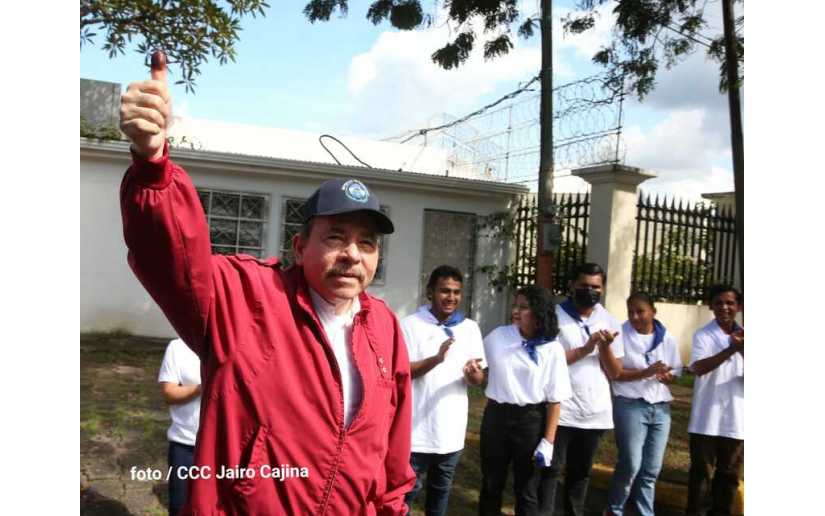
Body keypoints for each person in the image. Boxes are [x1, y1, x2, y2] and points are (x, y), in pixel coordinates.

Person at [119, 52, 415, 515]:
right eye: (335, 237)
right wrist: (152, 164)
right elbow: (171, 259)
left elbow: (393, 449)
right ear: (300, 246)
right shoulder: (247, 297)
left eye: (367, 242)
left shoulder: (384, 327)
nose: (353, 254)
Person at [479, 285, 572, 516]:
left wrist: (548, 441)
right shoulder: (498, 336)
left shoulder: (552, 349)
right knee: (491, 482)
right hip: (497, 416)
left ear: (539, 312)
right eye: (515, 306)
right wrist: (474, 374)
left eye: (524, 307)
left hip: (530, 421)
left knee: (527, 488)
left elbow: (555, 400)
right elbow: (479, 365)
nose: (516, 311)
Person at [401, 265, 486, 516]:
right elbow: (402, 372)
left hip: (450, 431)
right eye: (444, 291)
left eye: (456, 292)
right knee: (406, 493)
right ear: (430, 292)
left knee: (441, 491)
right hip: (415, 431)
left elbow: (478, 379)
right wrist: (436, 359)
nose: (451, 297)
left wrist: (473, 375)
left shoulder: (470, 328)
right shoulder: (409, 325)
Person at [541, 262, 624, 516]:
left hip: (594, 413)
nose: (590, 291)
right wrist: (586, 349)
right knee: (550, 470)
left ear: (603, 289)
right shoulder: (554, 316)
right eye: (584, 285)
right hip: (561, 410)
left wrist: (605, 348)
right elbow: (547, 361)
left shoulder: (609, 320)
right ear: (572, 286)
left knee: (580, 474)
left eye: (596, 287)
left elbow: (615, 373)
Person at [605, 293, 683, 516]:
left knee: (651, 470)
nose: (635, 316)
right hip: (630, 404)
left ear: (653, 311)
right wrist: (645, 372)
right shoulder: (621, 334)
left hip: (660, 408)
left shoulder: (666, 337)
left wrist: (668, 376)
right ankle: (614, 510)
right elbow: (616, 373)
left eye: (640, 311)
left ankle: (645, 513)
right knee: (631, 464)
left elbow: (677, 370)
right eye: (630, 312)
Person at [685, 285, 744, 516]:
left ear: (739, 307)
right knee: (701, 475)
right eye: (719, 303)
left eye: (730, 303)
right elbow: (699, 368)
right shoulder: (703, 335)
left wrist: (742, 349)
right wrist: (731, 349)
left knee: (729, 476)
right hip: (706, 419)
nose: (724, 307)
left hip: (736, 419)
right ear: (711, 306)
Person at [158, 338, 202, 516]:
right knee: (179, 505)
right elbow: (169, 393)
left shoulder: (234, 343)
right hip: (185, 443)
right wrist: (201, 387)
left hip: (225, 445)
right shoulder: (177, 347)